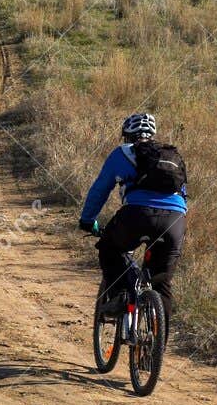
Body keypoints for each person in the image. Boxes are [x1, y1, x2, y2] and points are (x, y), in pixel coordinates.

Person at [78, 113, 187, 323]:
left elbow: (100, 190)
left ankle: (120, 295)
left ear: (126, 135)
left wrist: (87, 220)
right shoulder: (173, 156)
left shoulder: (123, 153)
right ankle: (157, 350)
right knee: (161, 283)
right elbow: (183, 194)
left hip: (136, 215)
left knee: (109, 248)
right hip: (175, 220)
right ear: (153, 134)